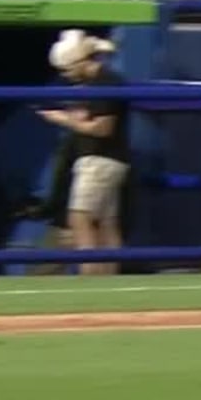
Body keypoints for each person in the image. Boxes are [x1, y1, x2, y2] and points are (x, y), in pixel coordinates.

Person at [37, 30, 130, 276]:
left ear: (80, 62)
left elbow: (102, 128)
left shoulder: (106, 81)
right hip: (100, 160)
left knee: (79, 217)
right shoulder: (90, 86)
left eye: (68, 70)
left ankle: (89, 276)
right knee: (107, 223)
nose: (67, 76)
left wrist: (61, 119)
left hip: (100, 159)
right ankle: (109, 283)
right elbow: (86, 119)